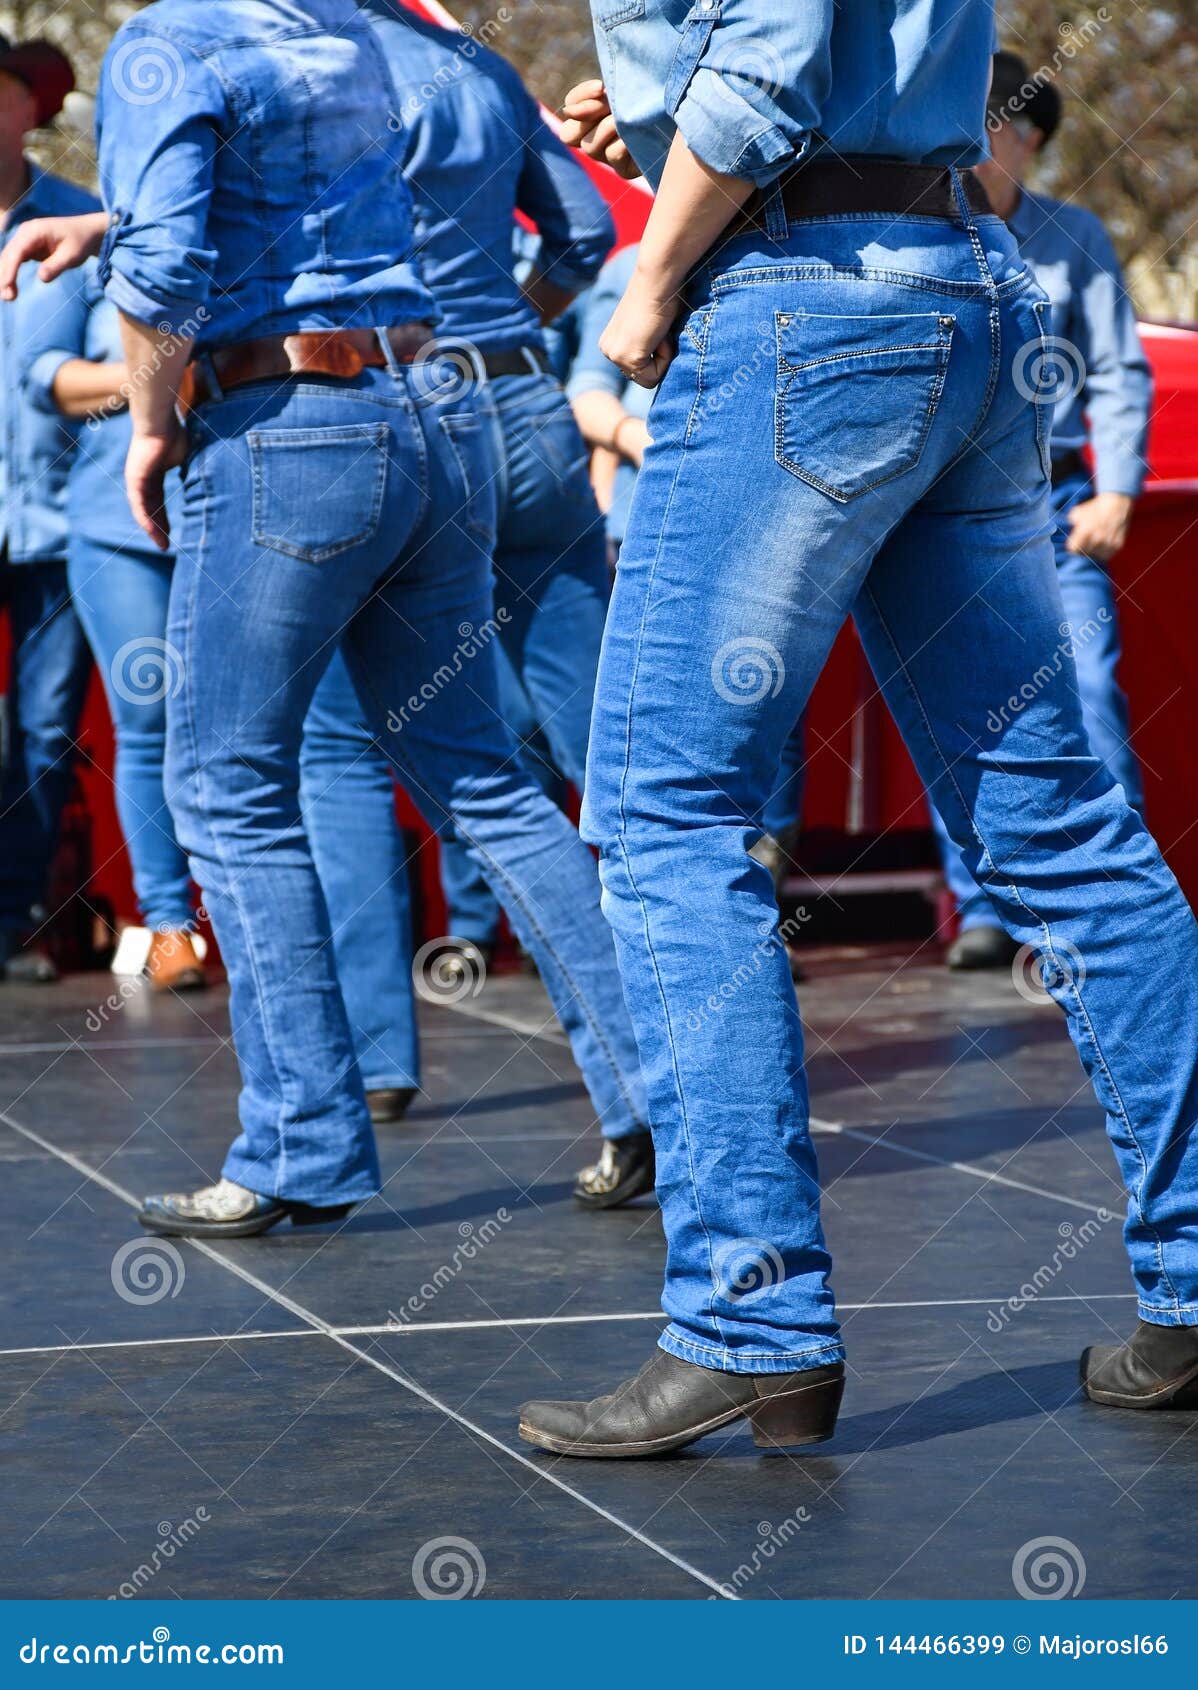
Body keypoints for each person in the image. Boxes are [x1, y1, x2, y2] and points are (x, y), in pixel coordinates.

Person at [514, 0, 1198, 1457]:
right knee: (1060, 823)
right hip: (957, 279)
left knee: (665, 817)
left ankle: (749, 1322)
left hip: (798, 304)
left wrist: (652, 273)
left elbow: (770, 57)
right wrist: (666, 109)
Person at [4, 0, 646, 1240]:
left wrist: (149, 425)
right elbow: (316, 208)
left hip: (284, 431)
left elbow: (167, 274)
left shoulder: (168, 41)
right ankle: (658, 1096)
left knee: (227, 785)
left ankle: (302, 1141)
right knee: (485, 779)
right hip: (430, 409)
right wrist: (113, 220)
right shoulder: (345, 33)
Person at [297, 2, 656, 1207]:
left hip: (389, 410)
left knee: (344, 748)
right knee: (611, 758)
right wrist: (510, 329)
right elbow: (585, 232)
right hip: (523, 410)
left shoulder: (299, 61)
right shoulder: (479, 66)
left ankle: (372, 1067)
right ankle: (664, 1071)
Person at [933, 51, 1153, 971]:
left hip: (1053, 501)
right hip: (941, 505)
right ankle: (983, 907)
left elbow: (1118, 371)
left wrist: (1119, 489)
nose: (978, 141)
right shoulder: (918, 235)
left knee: (1088, 689)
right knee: (962, 707)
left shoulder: (1078, 235)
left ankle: (1124, 908)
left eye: (997, 125)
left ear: (1027, 140)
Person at [19, 259, 204, 989]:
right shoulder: (92, 249)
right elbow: (44, 376)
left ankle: (278, 923)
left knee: (265, 726)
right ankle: (170, 925)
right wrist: (153, 378)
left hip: (235, 510)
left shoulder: (248, 226)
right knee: (148, 719)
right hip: (115, 524)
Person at [0, 38, 95, 983]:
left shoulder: (81, 221)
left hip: (60, 523)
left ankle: (18, 917)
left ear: (30, 108)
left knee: (44, 726)